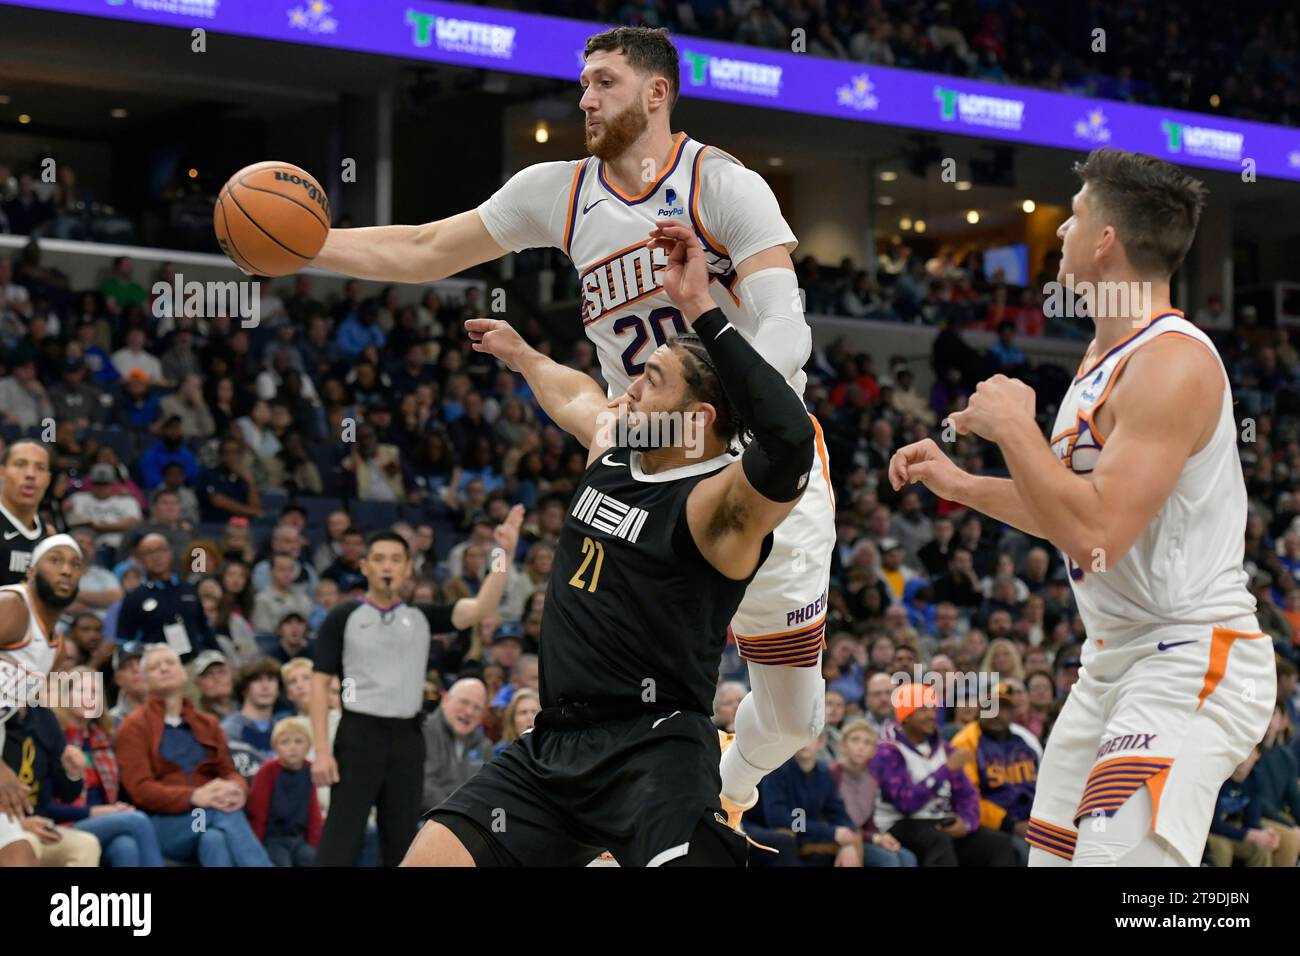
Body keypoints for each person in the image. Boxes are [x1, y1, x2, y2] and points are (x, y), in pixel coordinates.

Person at [302, 26, 835, 828]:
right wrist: (303, 248)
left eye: (605, 83)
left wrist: (740, 407)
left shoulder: (720, 183)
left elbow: (787, 327)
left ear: (657, 92)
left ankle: (731, 784)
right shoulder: (559, 189)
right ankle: (597, 821)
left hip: (752, 466)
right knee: (620, 694)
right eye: (582, 83)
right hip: (647, 472)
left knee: (796, 719)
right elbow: (423, 248)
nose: (585, 98)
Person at [890, 148, 1277, 866]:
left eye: (1071, 219)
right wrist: (963, 486)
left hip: (1189, 653)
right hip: (1110, 664)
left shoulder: (1171, 363)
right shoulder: (1099, 360)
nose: (1060, 235)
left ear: (1104, 241)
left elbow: (1100, 530)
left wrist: (1016, 430)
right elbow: (1072, 515)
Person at [402, 216, 813, 868]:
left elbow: (789, 443)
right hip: (554, 746)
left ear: (697, 420)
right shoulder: (618, 447)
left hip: (650, 751)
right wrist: (523, 355)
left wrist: (703, 307)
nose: (630, 390)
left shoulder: (715, 508)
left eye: (652, 381)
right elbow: (575, 397)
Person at [310, 511, 521, 867]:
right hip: (358, 735)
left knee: (402, 842)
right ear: (364, 566)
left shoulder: (421, 616)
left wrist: (503, 554)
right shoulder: (343, 615)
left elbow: (481, 607)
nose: (386, 567)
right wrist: (321, 750)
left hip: (408, 738)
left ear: (409, 567)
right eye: (378, 559)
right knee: (340, 841)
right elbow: (318, 683)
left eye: (395, 559)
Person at [115, 644, 271, 866]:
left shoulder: (207, 723)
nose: (164, 669)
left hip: (202, 821)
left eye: (169, 663)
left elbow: (229, 771)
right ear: (145, 680)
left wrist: (237, 789)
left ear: (183, 673)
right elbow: (140, 790)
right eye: (154, 667)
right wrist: (193, 796)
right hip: (166, 823)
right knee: (222, 815)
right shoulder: (134, 726)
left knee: (214, 839)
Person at [0, 534, 86, 867]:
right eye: (56, 560)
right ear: (32, 571)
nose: (66, 570)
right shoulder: (13, 607)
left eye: (75, 564)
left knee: (19, 855)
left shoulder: (56, 645)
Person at [870, 682, 1018, 866]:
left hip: (940, 822)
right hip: (900, 824)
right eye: (923, 709)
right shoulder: (888, 751)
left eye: (933, 709)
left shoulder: (944, 749)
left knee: (998, 843)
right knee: (938, 840)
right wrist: (945, 771)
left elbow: (968, 796)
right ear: (906, 716)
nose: (931, 715)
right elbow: (905, 802)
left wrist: (966, 823)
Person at [50, 666, 165, 867]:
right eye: (81, 691)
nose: (89, 698)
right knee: (137, 821)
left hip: (104, 819)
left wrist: (116, 807)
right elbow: (46, 805)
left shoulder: (105, 739)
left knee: (125, 846)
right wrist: (97, 811)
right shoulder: (55, 741)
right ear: (64, 697)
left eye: (94, 692)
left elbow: (114, 792)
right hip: (66, 823)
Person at [950, 682, 1042, 864]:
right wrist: (1011, 824)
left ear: (1013, 713)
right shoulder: (965, 742)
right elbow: (968, 798)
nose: (996, 713)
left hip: (1032, 820)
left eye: (1004, 708)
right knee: (1021, 851)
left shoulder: (1023, 742)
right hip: (992, 826)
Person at [750, 732, 861, 866]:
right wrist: (831, 833)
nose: (804, 742)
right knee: (785, 840)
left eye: (810, 737)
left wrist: (847, 843)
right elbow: (778, 818)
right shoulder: (776, 770)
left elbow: (839, 813)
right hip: (765, 834)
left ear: (820, 743)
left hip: (804, 836)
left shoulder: (824, 773)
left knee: (853, 841)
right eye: (799, 736)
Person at [114, 533, 216, 661]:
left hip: (193, 661)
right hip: (156, 666)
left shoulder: (189, 590)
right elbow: (125, 641)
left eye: (160, 550)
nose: (156, 557)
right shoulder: (134, 598)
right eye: (148, 552)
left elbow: (204, 629)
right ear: (140, 560)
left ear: (170, 553)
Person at [831, 718, 916, 867]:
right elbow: (828, 818)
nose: (861, 747)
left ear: (873, 751)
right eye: (855, 740)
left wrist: (880, 837)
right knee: (889, 860)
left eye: (867, 743)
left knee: (908, 857)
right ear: (843, 745)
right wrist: (875, 838)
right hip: (837, 838)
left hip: (861, 837)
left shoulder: (872, 780)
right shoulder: (832, 774)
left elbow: (868, 825)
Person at [247, 716, 322, 867]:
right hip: (273, 839)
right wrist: (256, 847)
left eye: (298, 742)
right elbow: (258, 812)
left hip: (299, 838)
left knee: (312, 858)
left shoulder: (311, 770)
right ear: (275, 748)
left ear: (308, 746)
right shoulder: (267, 771)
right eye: (285, 742)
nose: (292, 748)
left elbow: (314, 813)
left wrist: (315, 845)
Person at [421, 679, 492, 810]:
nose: (469, 712)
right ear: (445, 700)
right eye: (464, 702)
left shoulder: (484, 746)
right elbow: (424, 784)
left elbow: (488, 792)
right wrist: (455, 815)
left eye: (477, 708)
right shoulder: (425, 731)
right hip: (428, 819)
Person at [0, 440, 50, 586]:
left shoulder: (49, 536)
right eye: (20, 464)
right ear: (2, 472)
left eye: (40, 468)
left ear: (48, 479)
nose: (30, 474)